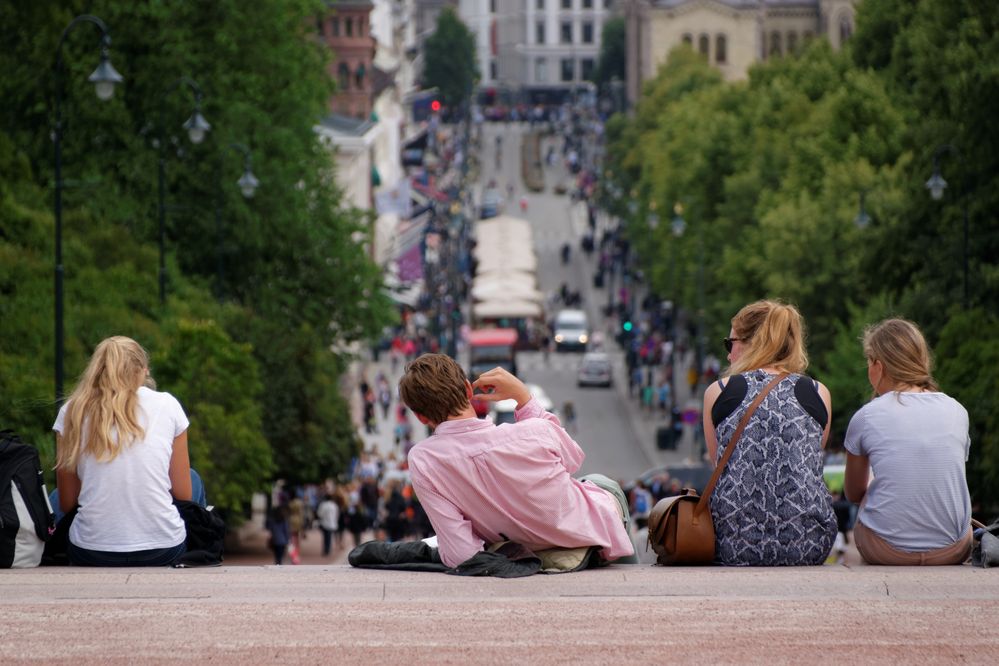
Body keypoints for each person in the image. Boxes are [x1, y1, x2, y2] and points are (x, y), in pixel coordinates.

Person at [398, 354, 634, 569]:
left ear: (420, 416)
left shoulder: (424, 460)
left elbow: (461, 553)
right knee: (601, 484)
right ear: (468, 391)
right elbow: (573, 460)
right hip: (590, 530)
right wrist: (523, 397)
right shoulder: (533, 431)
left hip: (530, 546)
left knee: (593, 485)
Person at [701, 300, 836, 566]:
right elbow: (809, 461)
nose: (729, 355)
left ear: (755, 342)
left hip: (734, 542)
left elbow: (717, 463)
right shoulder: (819, 393)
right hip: (808, 543)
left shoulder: (719, 392)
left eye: (731, 344)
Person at [51, 336, 204, 567]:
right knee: (192, 478)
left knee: (56, 494)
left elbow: (67, 502)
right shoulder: (168, 404)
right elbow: (183, 495)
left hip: (90, 552)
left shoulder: (71, 410)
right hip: (164, 550)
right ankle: (196, 549)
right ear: (142, 371)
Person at [843, 318, 972, 565]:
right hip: (952, 550)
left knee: (870, 499)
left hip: (885, 550)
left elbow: (853, 493)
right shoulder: (957, 411)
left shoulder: (867, 415)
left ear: (878, 366)